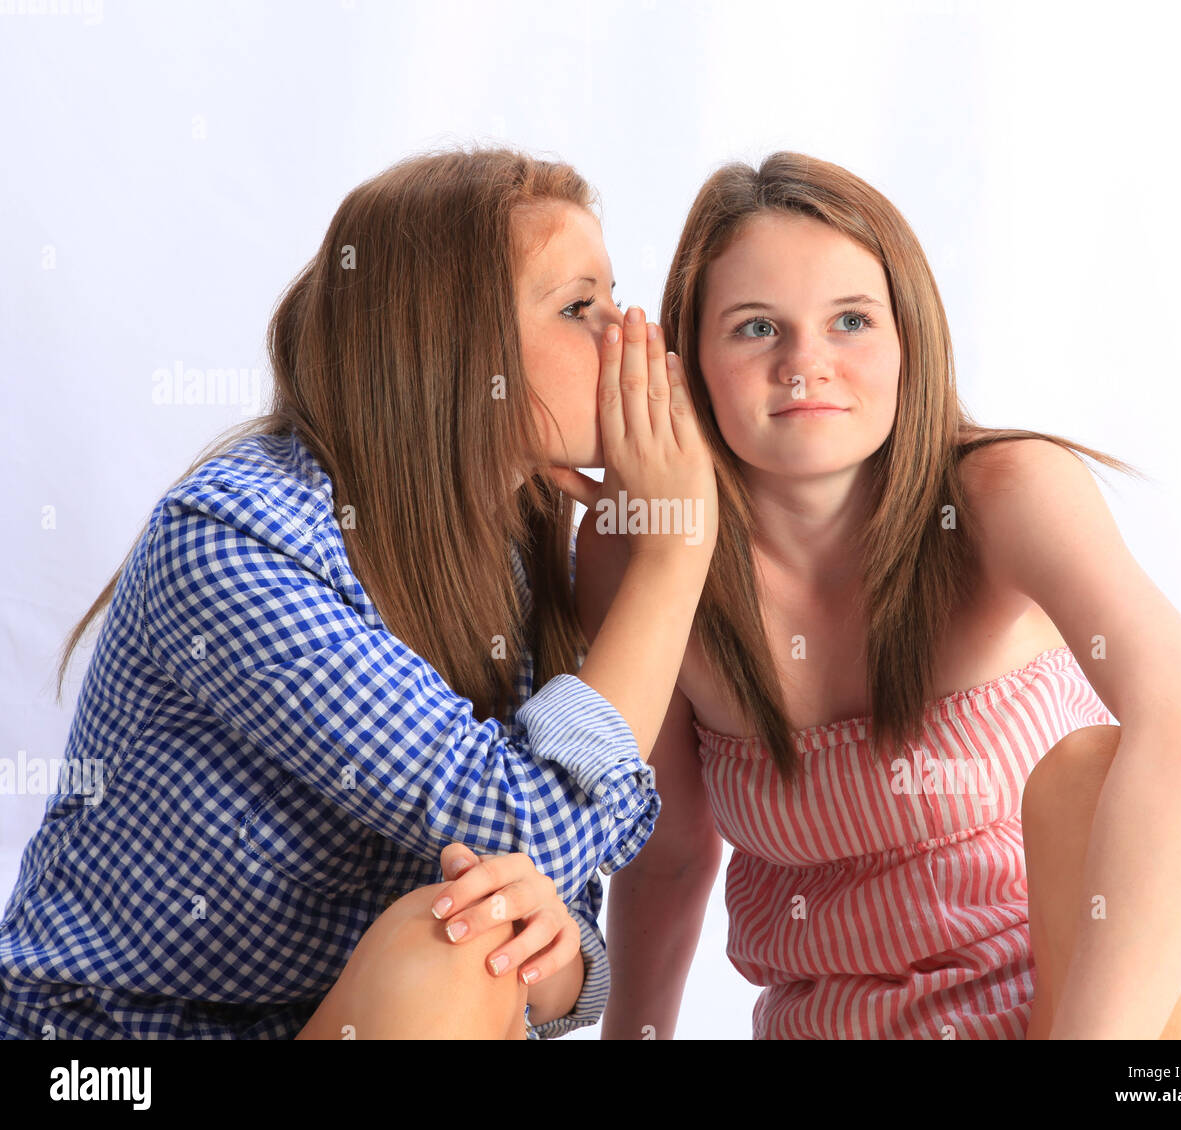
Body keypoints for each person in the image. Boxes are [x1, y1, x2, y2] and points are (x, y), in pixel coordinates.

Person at [0, 146, 717, 1040]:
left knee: (469, 934)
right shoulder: (235, 536)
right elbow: (524, 824)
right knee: (455, 939)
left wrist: (554, 942)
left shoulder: (518, 541)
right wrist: (675, 554)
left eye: (614, 299)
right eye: (580, 308)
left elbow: (552, 916)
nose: (629, 339)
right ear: (449, 348)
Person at [586, 151, 1181, 1041]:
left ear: (908, 337)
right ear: (687, 360)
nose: (806, 364)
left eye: (850, 321)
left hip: (1118, 1032)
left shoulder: (1006, 493)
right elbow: (669, 859)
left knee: (1090, 774)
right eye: (757, 328)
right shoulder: (642, 546)